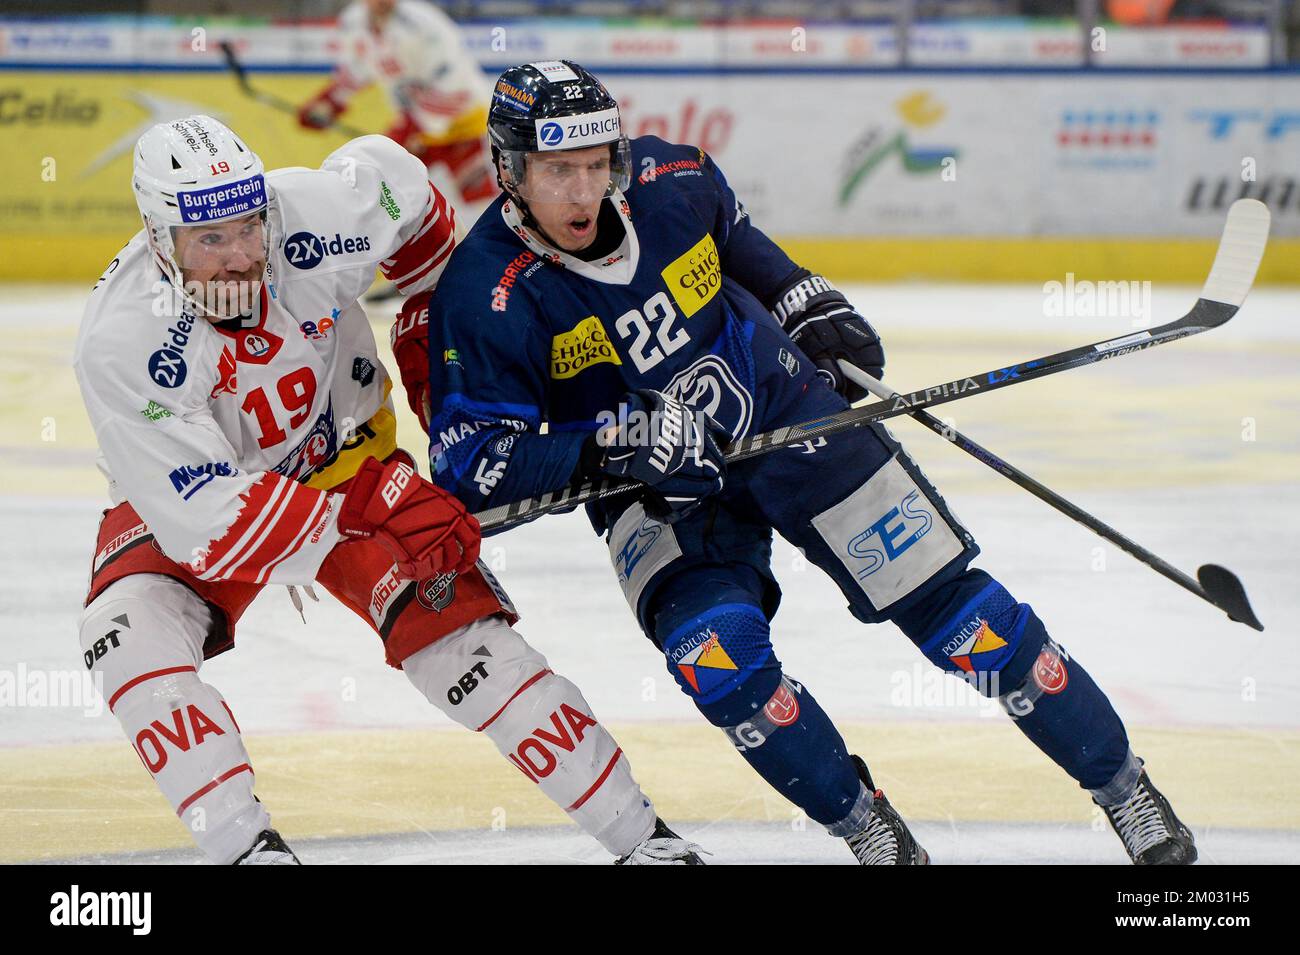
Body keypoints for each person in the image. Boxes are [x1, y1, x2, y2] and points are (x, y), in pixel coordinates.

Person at [393, 60, 1199, 865]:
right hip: (658, 487)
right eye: (556, 171)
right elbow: (475, 464)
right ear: (509, 169)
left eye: (596, 164)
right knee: (719, 662)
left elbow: (747, 251)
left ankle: (1126, 789)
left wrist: (803, 298)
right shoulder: (486, 291)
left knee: (964, 620)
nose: (582, 191)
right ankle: (866, 824)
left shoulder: (675, 178)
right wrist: (614, 441)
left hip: (786, 413)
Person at [74, 114, 702, 865]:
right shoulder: (123, 344)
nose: (242, 256)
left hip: (344, 455)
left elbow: (414, 203)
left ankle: (644, 840)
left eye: (249, 225)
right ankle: (247, 849)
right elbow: (212, 527)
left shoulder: (318, 215)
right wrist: (370, 511)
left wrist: (432, 345)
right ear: (157, 236)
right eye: (210, 240)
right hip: (216, 494)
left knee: (465, 649)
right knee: (121, 634)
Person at [298, 0, 496, 206]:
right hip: (417, 125)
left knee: (480, 202)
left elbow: (454, 83)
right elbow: (355, 70)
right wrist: (329, 103)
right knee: (387, 186)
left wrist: (419, 127)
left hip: (464, 125)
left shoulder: (424, 23)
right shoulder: (353, 22)